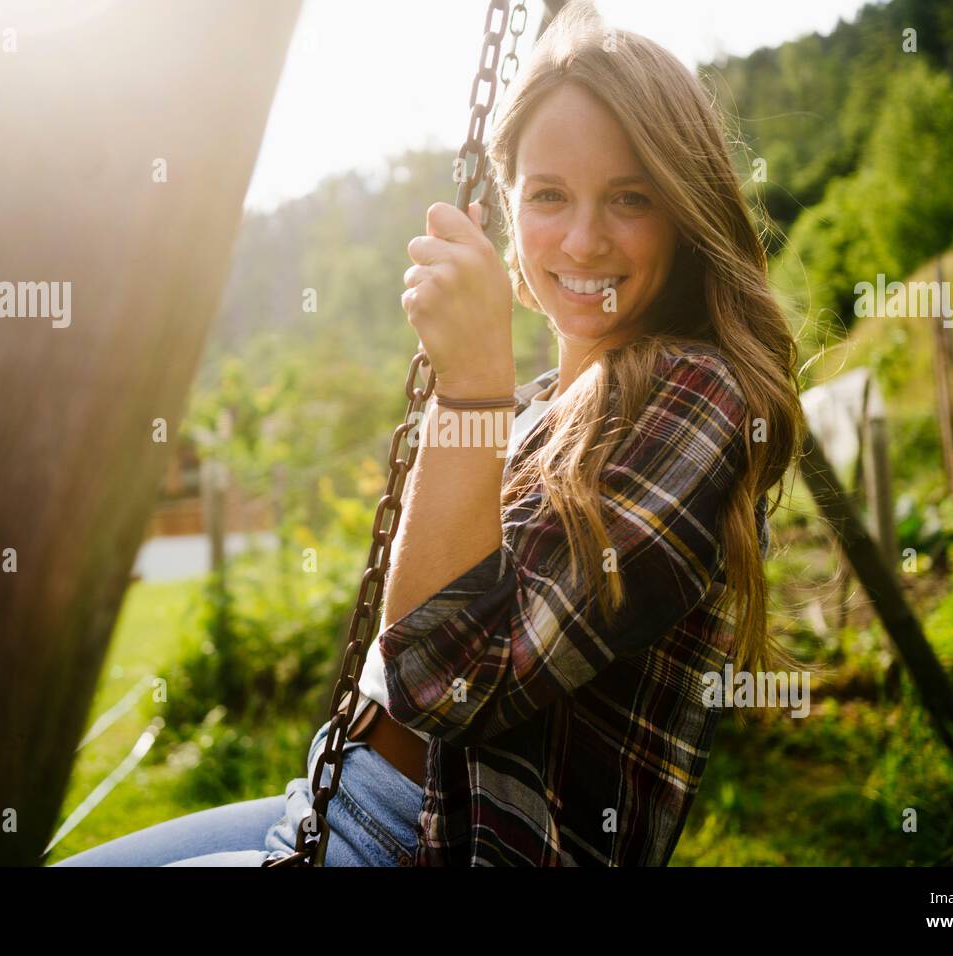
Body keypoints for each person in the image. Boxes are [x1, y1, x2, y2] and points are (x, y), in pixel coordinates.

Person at [53, 0, 803, 868]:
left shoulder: (698, 396)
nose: (583, 239)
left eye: (629, 198)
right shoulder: (536, 407)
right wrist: (484, 399)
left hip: (442, 846)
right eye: (549, 195)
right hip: (335, 793)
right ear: (510, 211)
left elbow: (439, 681)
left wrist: (470, 388)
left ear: (683, 209)